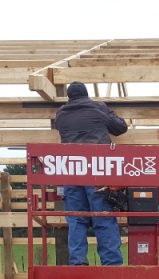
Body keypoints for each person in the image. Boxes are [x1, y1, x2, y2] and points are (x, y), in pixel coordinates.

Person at [54, 81, 128, 265]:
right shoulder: (97, 108)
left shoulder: (61, 114)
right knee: (102, 216)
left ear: (69, 97)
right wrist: (109, 113)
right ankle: (111, 264)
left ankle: (78, 263)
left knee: (76, 219)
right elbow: (120, 128)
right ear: (86, 94)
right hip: (97, 171)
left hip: (71, 171)